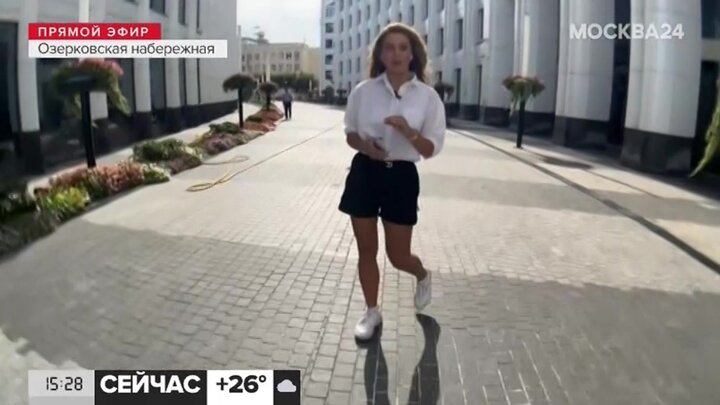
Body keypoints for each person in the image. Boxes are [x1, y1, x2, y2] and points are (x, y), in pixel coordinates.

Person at [338, 22, 447, 341]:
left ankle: (422, 275)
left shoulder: (428, 98)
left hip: (401, 176)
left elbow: (431, 149)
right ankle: (372, 312)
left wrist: (409, 132)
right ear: (380, 55)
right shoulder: (363, 91)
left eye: (403, 47)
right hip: (365, 172)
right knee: (366, 249)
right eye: (389, 47)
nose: (396, 53)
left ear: (413, 54)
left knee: (398, 256)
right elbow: (350, 134)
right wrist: (366, 147)